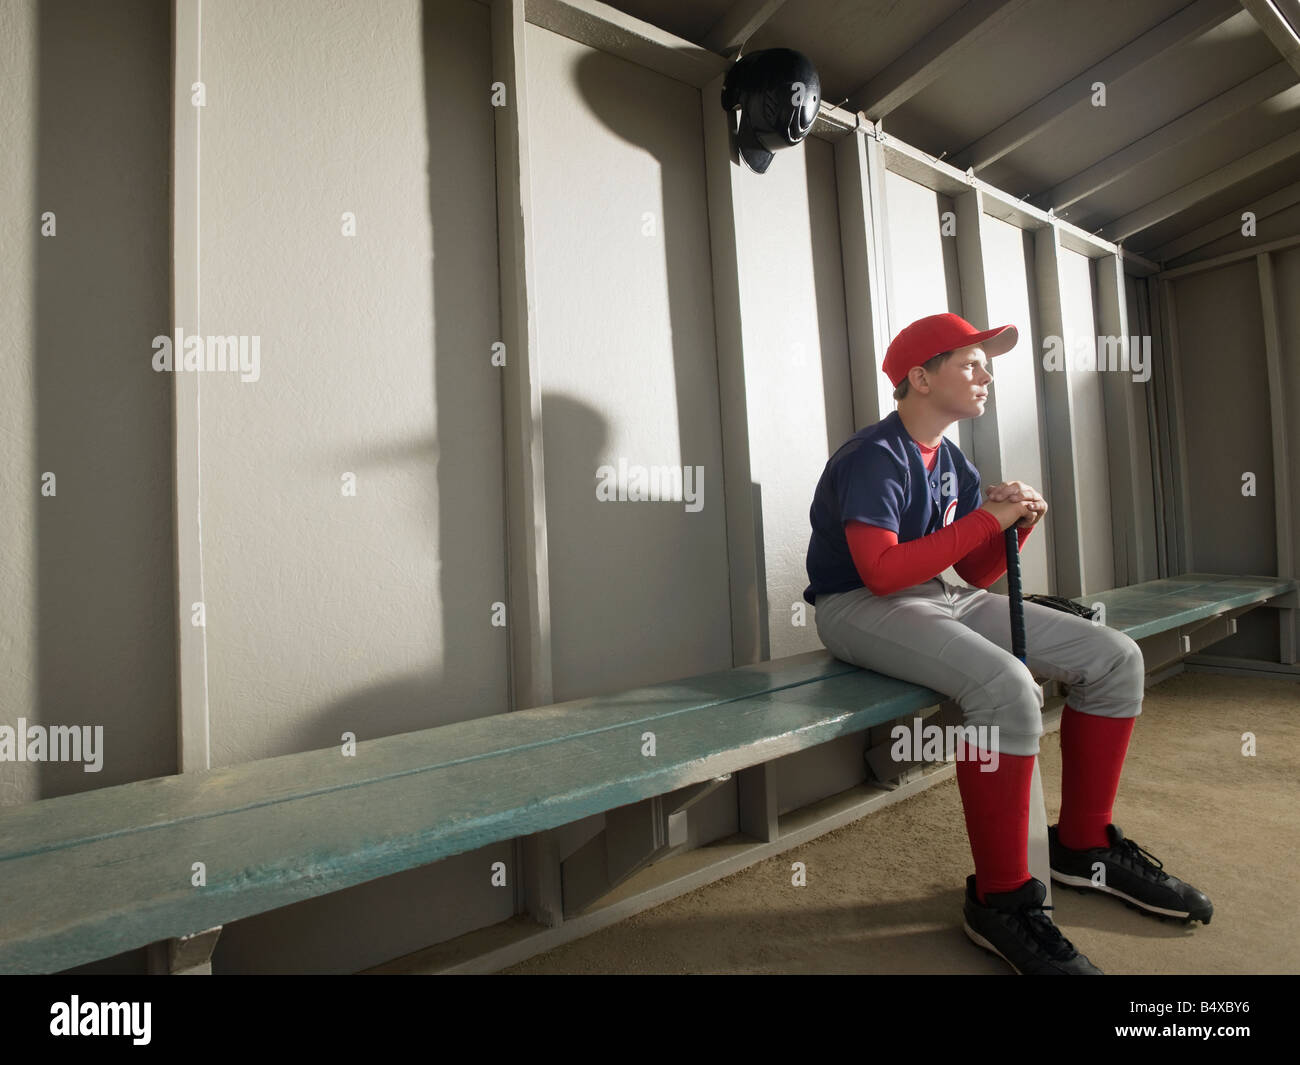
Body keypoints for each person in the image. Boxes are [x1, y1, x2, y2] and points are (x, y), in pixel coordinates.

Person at [803, 312, 1212, 975]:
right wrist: (987, 518)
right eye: (970, 362)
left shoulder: (952, 458)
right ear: (919, 376)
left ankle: (1084, 846)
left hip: (938, 593)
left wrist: (1013, 527)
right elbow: (878, 571)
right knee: (1005, 685)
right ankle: (999, 899)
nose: (985, 373)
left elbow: (975, 573)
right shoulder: (873, 457)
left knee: (1114, 658)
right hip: (857, 606)